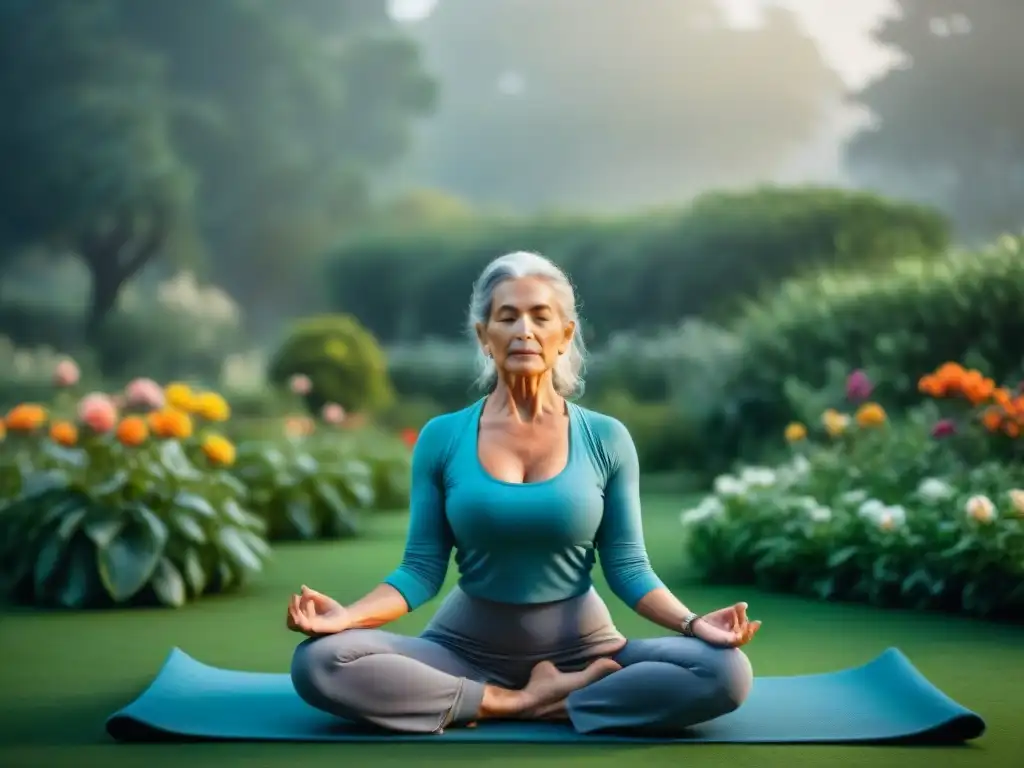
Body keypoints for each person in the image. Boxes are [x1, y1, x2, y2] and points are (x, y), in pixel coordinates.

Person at [286, 251, 761, 736]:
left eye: (540, 316)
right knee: (320, 661)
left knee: (725, 672)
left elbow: (629, 569)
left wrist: (692, 623)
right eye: (507, 317)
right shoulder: (443, 437)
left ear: (566, 335)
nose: (524, 330)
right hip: (461, 652)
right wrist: (347, 616)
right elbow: (420, 570)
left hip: (586, 653)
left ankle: (502, 702)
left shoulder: (606, 438)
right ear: (483, 336)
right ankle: (522, 702)